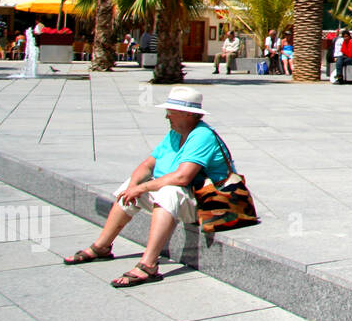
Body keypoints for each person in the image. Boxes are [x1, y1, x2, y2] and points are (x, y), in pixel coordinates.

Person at [62, 87, 233, 287]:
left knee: (169, 191)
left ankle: (148, 265)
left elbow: (182, 177)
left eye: (171, 111)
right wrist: (134, 186)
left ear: (188, 114)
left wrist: (142, 189)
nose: (166, 116)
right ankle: (101, 247)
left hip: (211, 205)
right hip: (189, 198)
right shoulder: (175, 134)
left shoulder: (202, 136)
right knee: (132, 185)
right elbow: (148, 165)